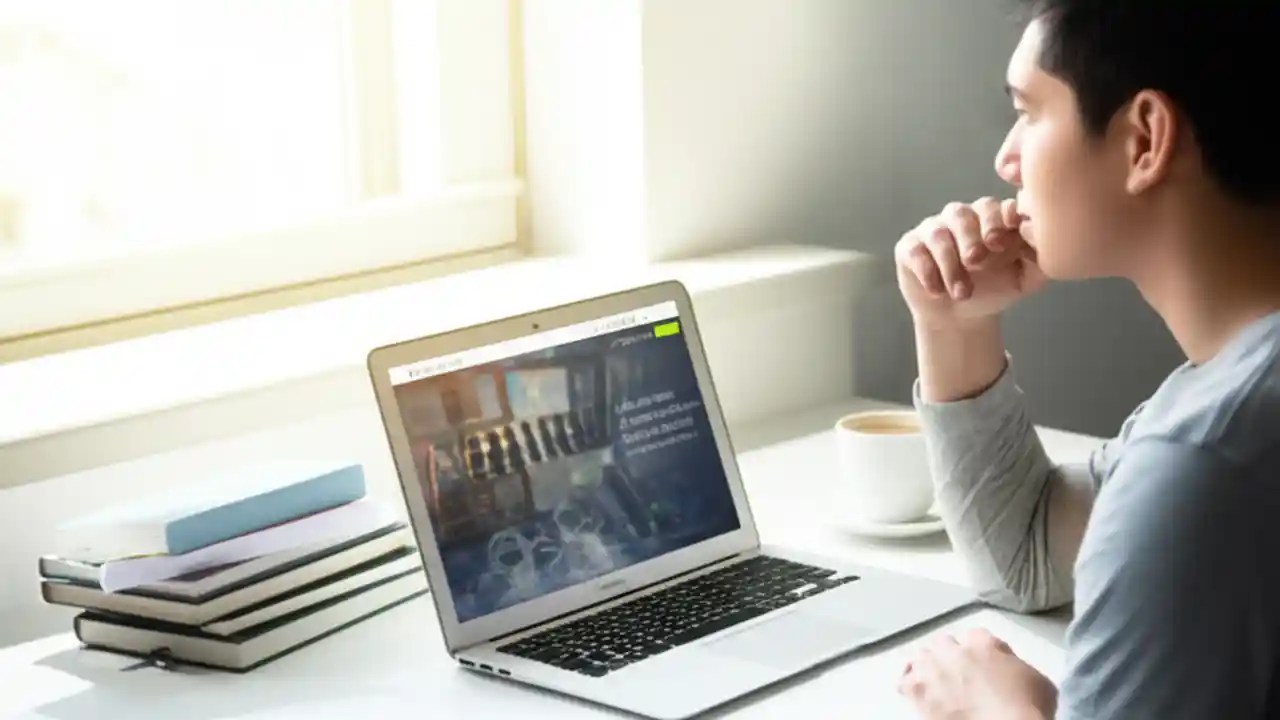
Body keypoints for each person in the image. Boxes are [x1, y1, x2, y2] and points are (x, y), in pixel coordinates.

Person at [891, 2, 1280, 718]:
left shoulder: (1206, 456)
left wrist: (999, 708)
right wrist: (952, 326)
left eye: (1031, 112)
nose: (1006, 159)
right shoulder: (1229, 395)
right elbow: (1030, 556)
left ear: (1144, 139)